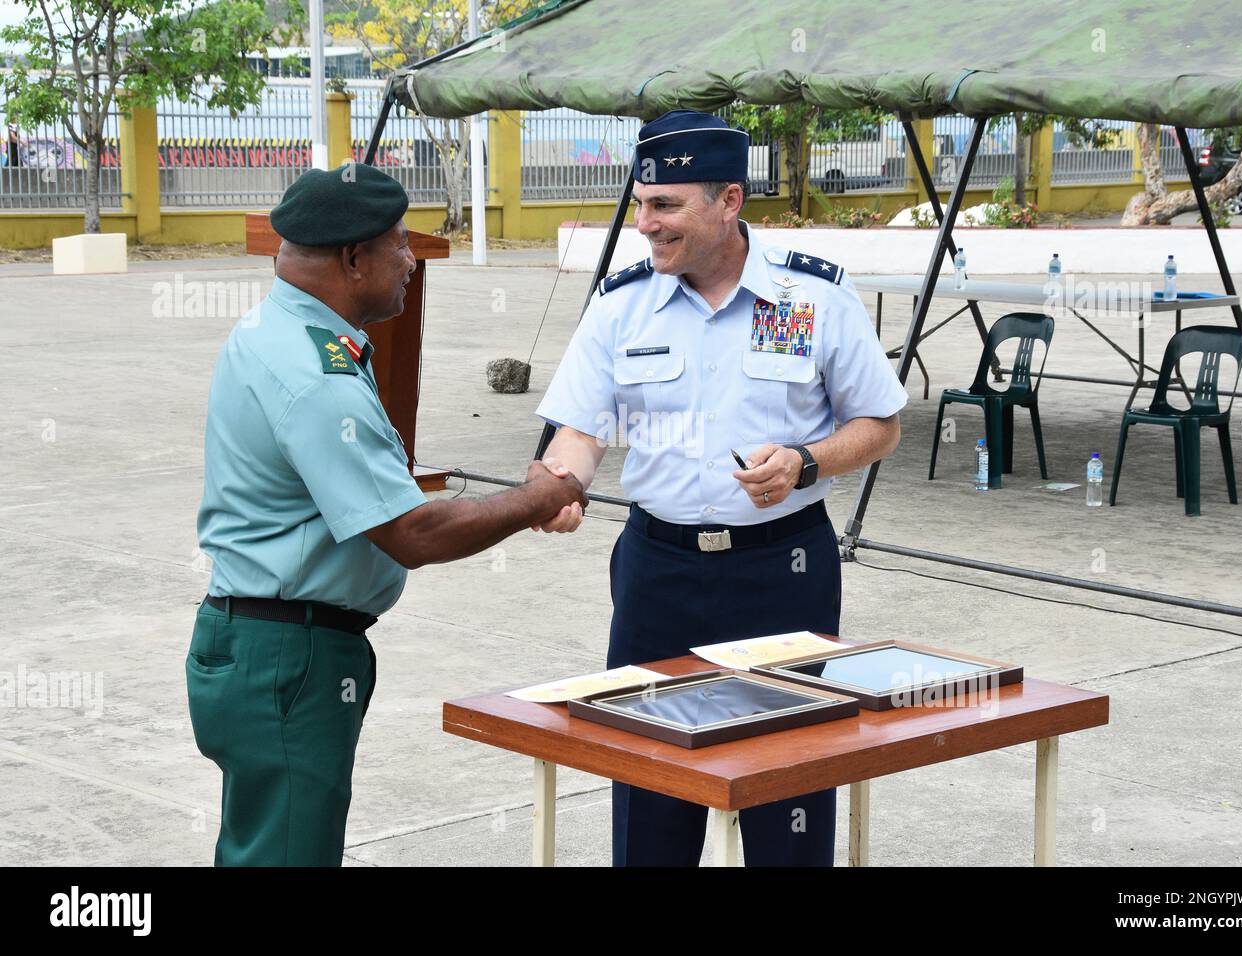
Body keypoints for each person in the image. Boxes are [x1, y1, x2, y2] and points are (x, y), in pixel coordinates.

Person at [532, 110, 908, 866]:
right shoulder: (621, 303)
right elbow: (579, 428)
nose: (644, 224)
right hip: (656, 574)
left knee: (786, 786)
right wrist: (557, 487)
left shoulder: (812, 297)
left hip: (782, 573)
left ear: (729, 201)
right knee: (649, 790)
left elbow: (880, 424)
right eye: (641, 203)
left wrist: (808, 460)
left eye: (664, 205)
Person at [187, 162, 586, 866]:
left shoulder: (277, 328)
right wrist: (538, 497)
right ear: (352, 258)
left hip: (263, 642)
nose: (410, 260)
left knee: (269, 847)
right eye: (399, 244)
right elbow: (411, 533)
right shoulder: (316, 376)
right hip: (289, 655)